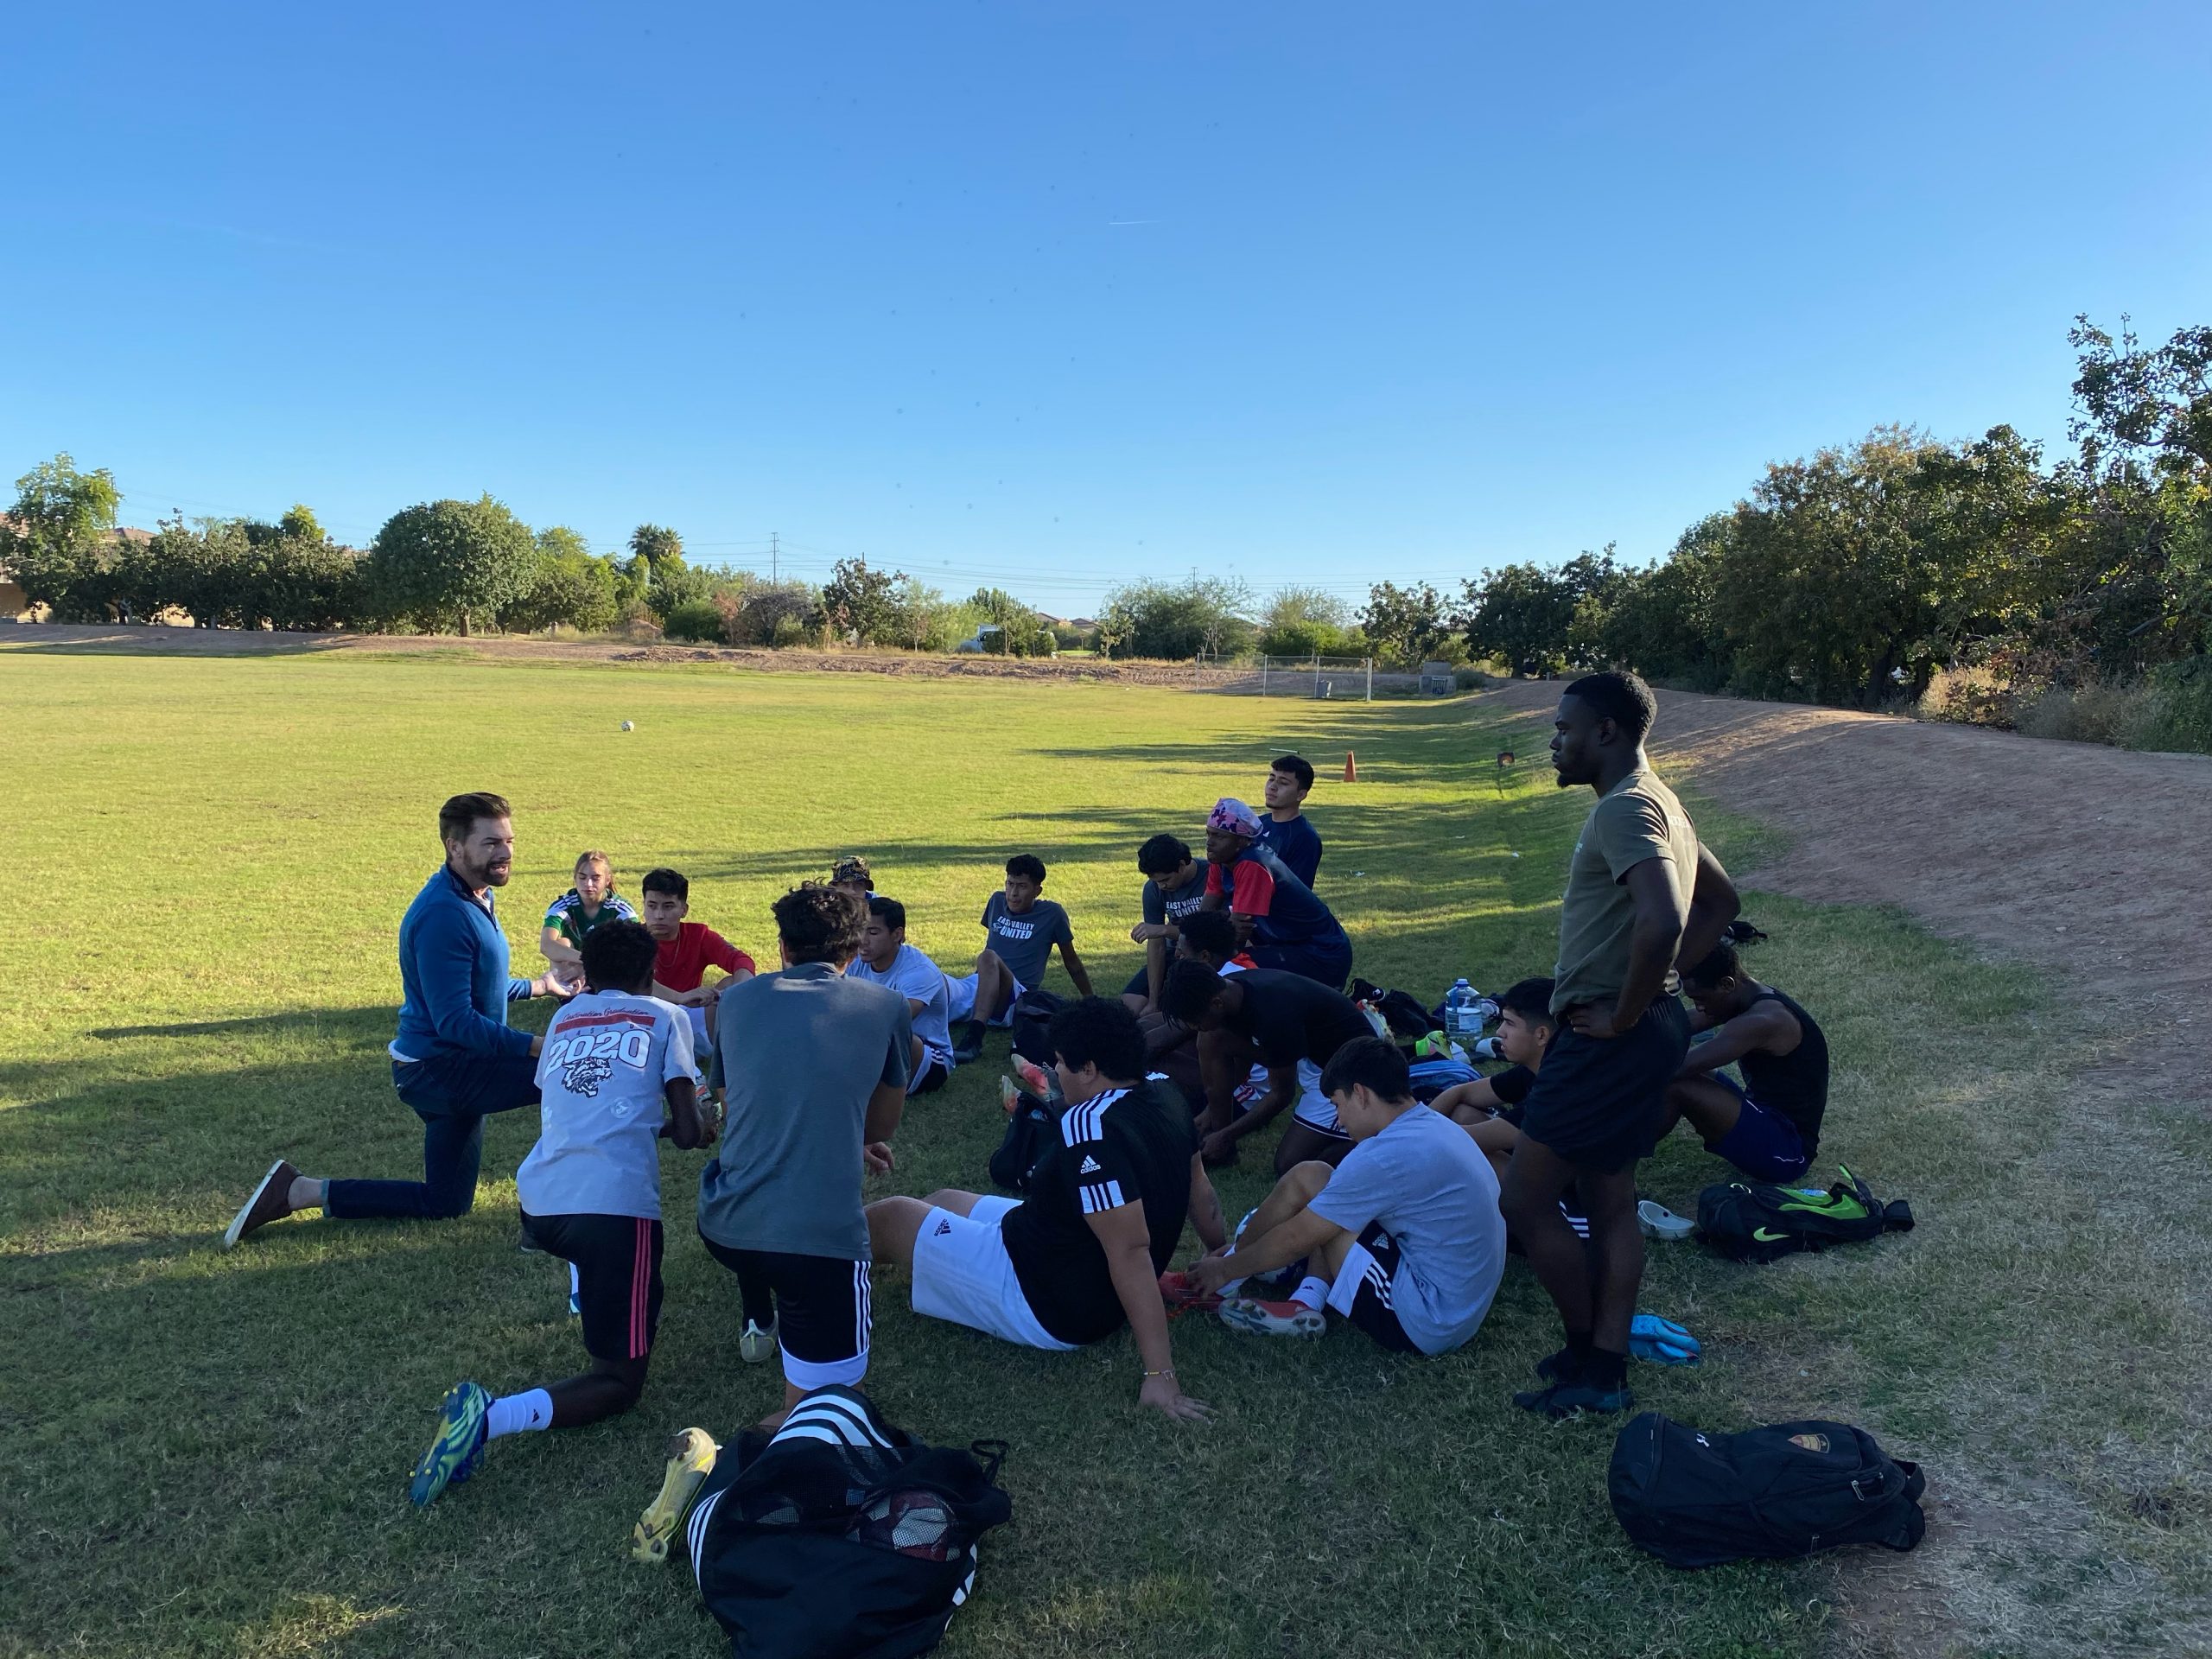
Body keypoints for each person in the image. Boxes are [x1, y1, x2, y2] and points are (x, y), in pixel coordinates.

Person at [405, 919, 711, 1505]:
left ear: (587, 976)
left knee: (637, 1287)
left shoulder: (564, 1018)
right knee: (619, 1383)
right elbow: (687, 1132)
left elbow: (569, 1096)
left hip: (540, 1202)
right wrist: (696, 1127)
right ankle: (490, 1418)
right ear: (652, 976)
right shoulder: (664, 1017)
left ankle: (597, 1298)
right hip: (613, 1210)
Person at [1499, 671, 1738, 1419]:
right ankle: (1602, 1365)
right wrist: (1661, 993)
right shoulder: (1660, 798)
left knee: (1525, 1200)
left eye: (1564, 729)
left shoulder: (1626, 808)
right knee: (1609, 1195)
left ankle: (1586, 1354)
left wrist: (1629, 1010)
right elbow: (1723, 902)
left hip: (1610, 1035)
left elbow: (1664, 920)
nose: (1553, 742)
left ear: (1606, 731)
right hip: (1642, 1029)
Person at [224, 791, 581, 1244]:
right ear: (454, 847)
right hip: (441, 1070)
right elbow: (455, 1022)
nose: (506, 852)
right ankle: (556, 1215)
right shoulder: (443, 915)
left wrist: (539, 986)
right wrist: (538, 1045)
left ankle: (297, 1191)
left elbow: (476, 985)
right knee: (570, 1073)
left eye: (509, 840)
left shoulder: (476, 895)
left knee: (446, 1202)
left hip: (458, 1063)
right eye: (491, 843)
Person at [866, 999, 1223, 1421]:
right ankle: (859, 1262)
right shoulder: (1164, 1089)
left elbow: (1129, 1250)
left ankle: (807, 1261)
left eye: (1060, 1064)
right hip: (1054, 1248)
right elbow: (1199, 1185)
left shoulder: (1088, 1125)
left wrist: (1160, 1373)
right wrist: (1221, 1256)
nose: (1055, 1075)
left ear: (1088, 1069)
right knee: (942, 1200)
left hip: (1049, 1300)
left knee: (892, 1216)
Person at [698, 885, 913, 1421]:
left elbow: (735, 1103)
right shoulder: (885, 1005)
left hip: (724, 1222)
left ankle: (761, 1313)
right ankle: (747, 1465)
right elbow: (880, 1125)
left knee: (768, 1234)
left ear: (782, 947)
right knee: (829, 1411)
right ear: (852, 951)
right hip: (818, 1245)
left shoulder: (738, 999)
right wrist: (844, 1134)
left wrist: (822, 1129)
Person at [1185, 1039, 1504, 1354]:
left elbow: (1298, 1235)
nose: (1339, 1119)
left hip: (1426, 1321)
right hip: (1458, 1302)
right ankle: (1260, 1275)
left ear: (1361, 1094)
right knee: (1314, 1177)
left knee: (1326, 1216)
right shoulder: (1429, 1125)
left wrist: (1229, 1269)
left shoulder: (1384, 1155)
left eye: (1337, 1105)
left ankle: (1252, 1283)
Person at [1160, 957, 1374, 1173]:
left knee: (1289, 1164)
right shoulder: (1231, 989)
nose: (1195, 1027)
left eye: (1196, 1021)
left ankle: (1372, 1137)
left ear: (1216, 1003)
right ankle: (1220, 1142)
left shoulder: (1273, 1017)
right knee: (1211, 1039)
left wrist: (1227, 1135)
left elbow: (1281, 1095)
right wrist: (1209, 1113)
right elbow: (1241, 1057)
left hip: (1349, 1070)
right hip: (1314, 1055)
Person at [1660, 941, 1830, 1181]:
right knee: (1676, 1066)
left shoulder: (1763, 1021)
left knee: (1676, 1082)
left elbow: (1673, 1069)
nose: (1699, 1007)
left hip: (1789, 1152)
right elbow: (1680, 1026)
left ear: (1726, 984)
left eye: (1700, 999)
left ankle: (1620, 1154)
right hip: (1763, 1116)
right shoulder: (1747, 994)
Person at [948, 854, 1092, 1061]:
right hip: (979, 985)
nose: (1013, 893)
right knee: (935, 982)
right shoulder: (997, 901)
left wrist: (1090, 1000)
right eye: (1010, 884)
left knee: (988, 956)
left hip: (1017, 996)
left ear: (1037, 890)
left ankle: (974, 1039)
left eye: (1022, 886)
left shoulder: (1052, 914)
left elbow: (1071, 961)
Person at [1199, 798, 1352, 989]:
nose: (1209, 843)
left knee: (1224, 977)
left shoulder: (1253, 864)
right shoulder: (1220, 859)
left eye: (1219, 837)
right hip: (1286, 946)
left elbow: (1238, 930)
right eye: (1209, 834)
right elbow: (1203, 916)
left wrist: (1205, 959)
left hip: (1319, 952)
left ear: (1242, 841)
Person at [640, 867, 757, 1055]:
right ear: (644, 906)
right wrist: (679, 996)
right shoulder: (632, 938)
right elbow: (633, 982)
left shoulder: (698, 936)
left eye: (668, 906)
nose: (659, 915)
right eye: (652, 906)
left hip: (687, 1014)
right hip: (642, 1018)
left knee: (731, 984)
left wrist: (739, 993)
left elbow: (742, 961)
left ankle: (726, 1056)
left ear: (684, 910)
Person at [849, 894, 954, 1096]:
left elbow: (899, 1019)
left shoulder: (920, 971)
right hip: (878, 1045)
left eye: (872, 932)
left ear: (897, 934)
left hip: (928, 1056)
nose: (862, 940)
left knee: (895, 1033)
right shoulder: (855, 960)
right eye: (859, 930)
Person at [1123, 834, 1211, 1014]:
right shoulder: (1153, 889)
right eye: (1156, 882)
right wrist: (1153, 1001)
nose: (1162, 887)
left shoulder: (1210, 877)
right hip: (1176, 953)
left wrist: (1164, 929)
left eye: (1165, 880)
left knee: (1182, 1008)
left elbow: (1215, 937)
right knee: (1129, 1005)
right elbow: (1156, 946)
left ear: (1181, 865)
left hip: (1207, 956)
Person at [538, 850, 638, 969]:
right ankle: (565, 987)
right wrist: (586, 962)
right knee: (562, 943)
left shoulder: (620, 909)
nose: (588, 884)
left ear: (607, 880)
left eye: (596, 878)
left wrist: (593, 966)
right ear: (575, 878)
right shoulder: (563, 906)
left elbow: (637, 946)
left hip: (609, 970)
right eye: (582, 877)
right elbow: (547, 945)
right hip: (575, 969)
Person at [1256, 753, 1324, 887]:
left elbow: (1295, 893)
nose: (1272, 787)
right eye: (1271, 779)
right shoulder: (1256, 824)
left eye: (1283, 783)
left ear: (1301, 794)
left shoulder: (1305, 838)